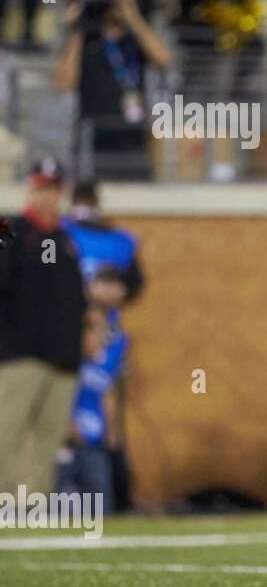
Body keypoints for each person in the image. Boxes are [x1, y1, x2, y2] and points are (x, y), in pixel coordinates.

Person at [0, 159, 87, 495]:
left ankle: (35, 504)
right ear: (30, 190)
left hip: (63, 355)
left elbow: (73, 295)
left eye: (51, 188)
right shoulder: (10, 229)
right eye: (39, 188)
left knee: (49, 436)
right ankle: (4, 499)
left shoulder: (66, 240)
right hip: (20, 352)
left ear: (60, 193)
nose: (45, 195)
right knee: (7, 428)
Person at [62, 181, 145, 511]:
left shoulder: (66, 233)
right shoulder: (117, 241)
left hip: (94, 431)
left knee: (99, 499)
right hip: (69, 431)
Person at [52, 0, 174, 181]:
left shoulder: (135, 40)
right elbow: (64, 83)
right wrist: (79, 27)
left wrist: (133, 16)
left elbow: (164, 59)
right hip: (94, 140)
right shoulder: (85, 41)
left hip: (134, 138)